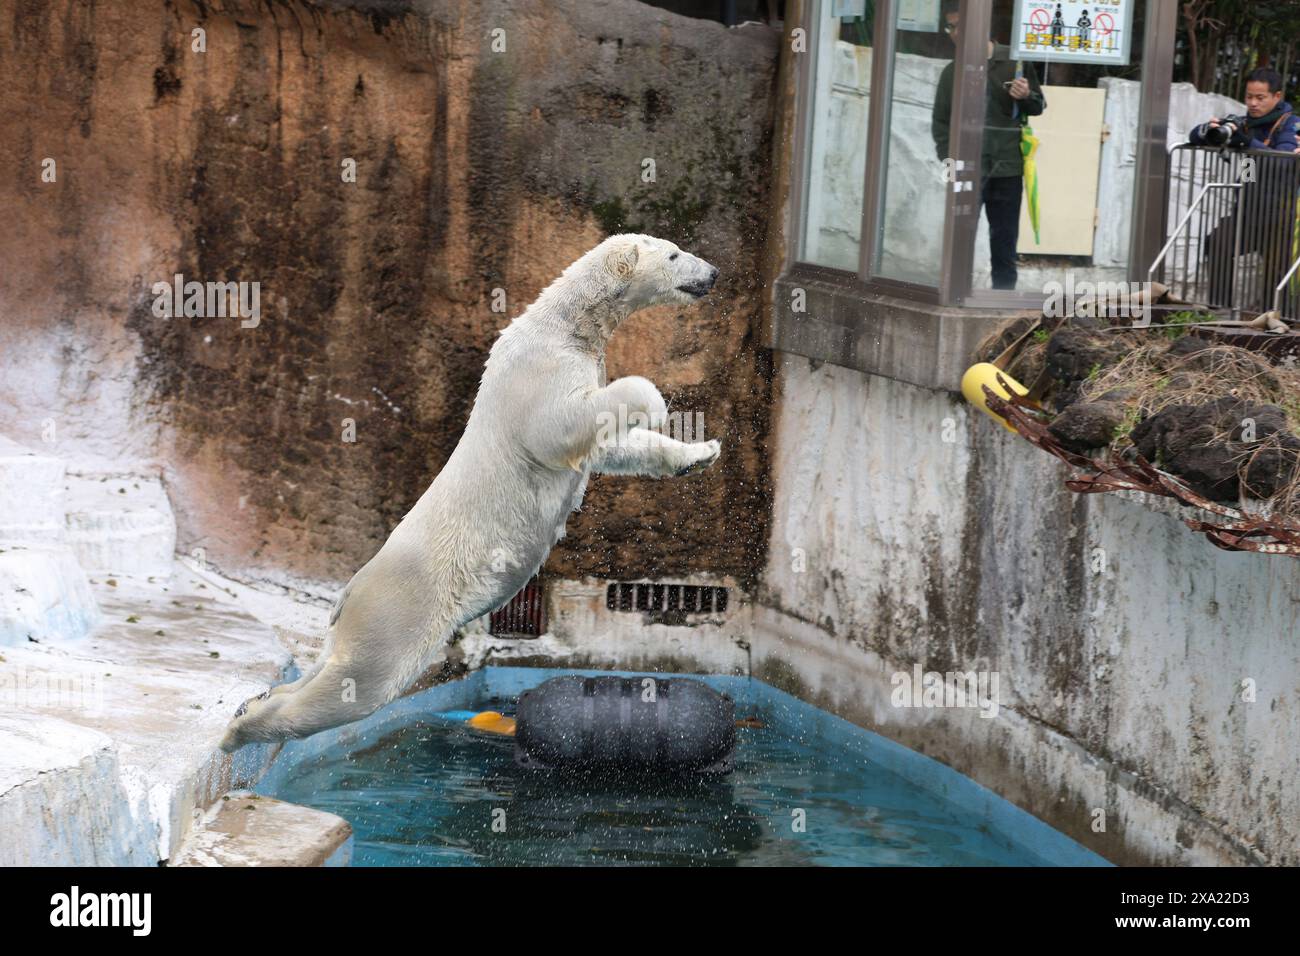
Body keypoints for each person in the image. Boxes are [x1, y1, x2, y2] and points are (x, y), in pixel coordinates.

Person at [932, 1, 1046, 290]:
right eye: (950, 27)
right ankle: (957, 293)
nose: (953, 33)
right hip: (967, 169)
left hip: (1008, 167)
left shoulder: (1014, 61)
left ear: (980, 26)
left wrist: (1026, 94)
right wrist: (950, 162)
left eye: (959, 26)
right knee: (961, 237)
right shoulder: (952, 72)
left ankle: (1002, 301)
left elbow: (1038, 105)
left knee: (1004, 240)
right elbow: (941, 124)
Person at [1189, 67, 1299, 310]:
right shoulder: (1244, 122)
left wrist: (1249, 143)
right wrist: (1207, 130)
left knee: (1276, 275)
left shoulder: (1291, 125)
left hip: (1281, 214)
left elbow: (1283, 159)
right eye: (1249, 96)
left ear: (1277, 96)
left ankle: (1274, 327)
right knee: (1217, 242)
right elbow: (1194, 136)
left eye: (1260, 98)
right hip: (1247, 211)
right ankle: (1220, 311)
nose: (1252, 103)